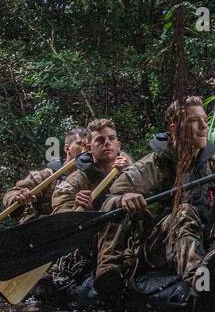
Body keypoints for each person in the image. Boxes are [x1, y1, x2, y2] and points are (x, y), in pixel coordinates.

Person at [107, 95, 215, 292]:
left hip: (203, 237)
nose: (203, 126)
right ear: (174, 129)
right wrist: (123, 198)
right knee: (184, 211)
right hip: (156, 246)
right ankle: (199, 278)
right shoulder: (154, 165)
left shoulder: (213, 164)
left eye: (205, 120)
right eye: (194, 121)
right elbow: (111, 199)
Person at [50, 118, 144, 294]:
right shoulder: (77, 179)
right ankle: (107, 274)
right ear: (89, 148)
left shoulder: (135, 170)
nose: (107, 143)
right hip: (92, 242)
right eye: (100, 140)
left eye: (111, 139)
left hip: (132, 235)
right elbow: (59, 218)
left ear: (118, 144)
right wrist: (80, 208)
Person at [1, 126, 89, 221]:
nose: (86, 150)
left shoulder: (92, 175)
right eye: (81, 144)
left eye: (89, 146)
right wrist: (17, 197)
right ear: (67, 149)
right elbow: (12, 193)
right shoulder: (48, 176)